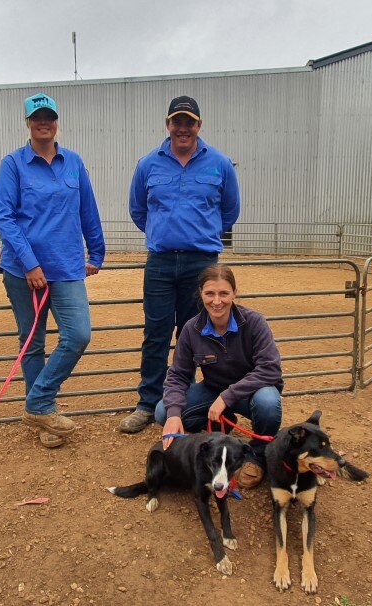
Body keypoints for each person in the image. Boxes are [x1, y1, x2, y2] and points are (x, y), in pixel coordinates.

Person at [119, 95, 241, 434]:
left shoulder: (219, 164)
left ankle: (184, 401)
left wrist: (199, 236)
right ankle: (147, 403)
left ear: (199, 126)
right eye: (177, 121)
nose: (183, 128)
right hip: (160, 262)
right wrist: (165, 233)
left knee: (195, 336)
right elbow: (138, 211)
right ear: (168, 124)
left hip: (201, 264)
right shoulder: (148, 164)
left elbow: (230, 211)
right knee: (155, 334)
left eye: (189, 122)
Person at [0, 92, 105, 449]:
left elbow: (88, 209)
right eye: (37, 117)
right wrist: (30, 264)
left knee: (79, 335)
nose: (44, 122)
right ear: (27, 122)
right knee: (33, 343)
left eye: (49, 116)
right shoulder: (12, 164)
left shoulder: (73, 162)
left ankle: (37, 401)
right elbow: (5, 218)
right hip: (23, 270)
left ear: (57, 121)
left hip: (67, 266)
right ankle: (44, 416)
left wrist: (97, 253)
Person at [157, 265, 281, 489]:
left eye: (224, 293)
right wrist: (174, 414)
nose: (217, 301)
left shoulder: (254, 322)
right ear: (201, 293)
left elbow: (270, 369)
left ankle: (256, 458)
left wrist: (226, 397)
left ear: (235, 293)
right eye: (210, 294)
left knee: (269, 402)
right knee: (163, 412)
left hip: (250, 392)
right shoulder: (191, 329)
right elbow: (177, 375)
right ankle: (214, 440)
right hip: (212, 390)